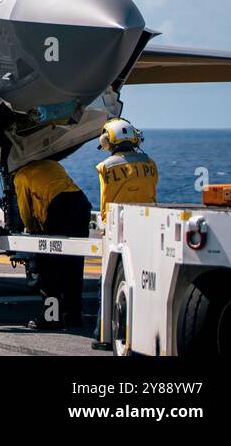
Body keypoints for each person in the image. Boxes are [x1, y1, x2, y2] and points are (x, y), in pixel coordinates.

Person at [91, 118, 157, 350]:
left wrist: (104, 228)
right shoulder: (150, 163)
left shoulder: (105, 167)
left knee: (107, 283)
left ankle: (103, 334)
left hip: (119, 229)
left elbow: (105, 201)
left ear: (109, 139)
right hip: (148, 225)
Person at [10, 159, 92, 330]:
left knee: (48, 268)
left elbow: (24, 209)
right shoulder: (51, 164)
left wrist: (32, 232)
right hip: (81, 203)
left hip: (59, 207)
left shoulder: (20, 176)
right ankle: (74, 316)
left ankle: (52, 317)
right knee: (74, 265)